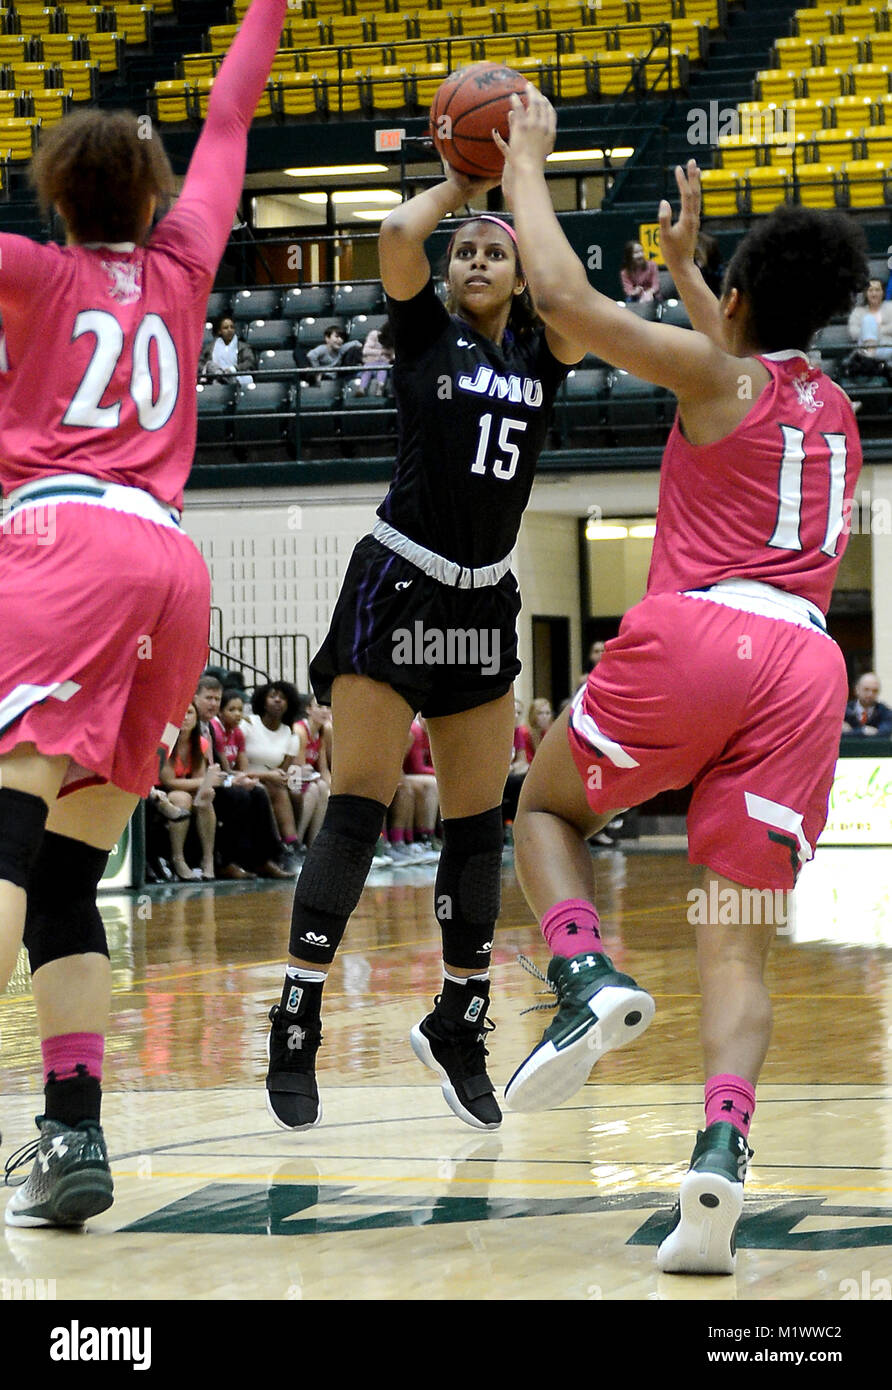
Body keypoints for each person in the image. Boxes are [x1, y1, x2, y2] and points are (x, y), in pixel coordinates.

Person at [494, 89, 866, 1272]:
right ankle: (719, 1152)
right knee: (735, 941)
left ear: (743, 306)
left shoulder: (718, 377)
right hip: (806, 670)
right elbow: (742, 350)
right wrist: (697, 275)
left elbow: (561, 300)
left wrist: (525, 169)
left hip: (706, 638)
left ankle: (581, 965)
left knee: (544, 807)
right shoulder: (836, 407)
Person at [0, 0, 288, 1227]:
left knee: (7, 846)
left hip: (61, 540)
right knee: (68, 875)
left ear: (59, 196)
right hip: (173, 567)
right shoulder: (183, 262)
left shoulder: (36, 270)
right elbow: (231, 113)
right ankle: (74, 1135)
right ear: (150, 192)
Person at [263, 170, 585, 1135]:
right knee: (358, 806)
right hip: (400, 582)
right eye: (468, 253)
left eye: (497, 251)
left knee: (479, 824)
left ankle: (459, 1017)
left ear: (522, 275)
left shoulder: (543, 347)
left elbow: (567, 290)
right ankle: (297, 1014)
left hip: (483, 599)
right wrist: (457, 180)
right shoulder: (422, 333)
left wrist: (523, 188)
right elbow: (397, 241)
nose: (478, 260)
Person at [157, 702, 220, 880]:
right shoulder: (165, 742)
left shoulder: (201, 743)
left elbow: (200, 780)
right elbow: (168, 781)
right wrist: (206, 780)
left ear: (196, 718)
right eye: (181, 713)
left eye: (190, 713)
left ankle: (208, 859)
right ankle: (179, 859)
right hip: (162, 789)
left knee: (205, 798)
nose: (185, 717)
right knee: (182, 799)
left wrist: (206, 785)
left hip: (187, 786)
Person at [844, 278, 892, 380]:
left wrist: (873, 330)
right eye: (870, 290)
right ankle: (870, 358)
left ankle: (871, 360)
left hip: (887, 348)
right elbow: (853, 333)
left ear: (883, 292)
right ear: (866, 293)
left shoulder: (890, 307)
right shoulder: (858, 311)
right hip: (864, 350)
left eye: (877, 290)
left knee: (869, 322)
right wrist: (879, 329)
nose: (874, 293)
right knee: (868, 320)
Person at [198, 315, 256, 386]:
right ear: (219, 331)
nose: (229, 330)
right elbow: (200, 363)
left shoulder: (243, 346)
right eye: (226, 328)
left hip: (236, 376)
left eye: (232, 327)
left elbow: (249, 362)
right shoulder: (209, 347)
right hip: (215, 377)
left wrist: (233, 369)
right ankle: (222, 377)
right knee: (210, 365)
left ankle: (224, 379)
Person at [842, 671, 892, 737]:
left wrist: (852, 731)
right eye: (866, 689)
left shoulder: (885, 712)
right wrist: (863, 731)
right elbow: (837, 733)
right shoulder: (844, 711)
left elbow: (885, 732)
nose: (870, 694)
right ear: (857, 690)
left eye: (875, 691)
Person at [357, 320, 394, 396]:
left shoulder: (394, 340)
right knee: (367, 370)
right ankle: (361, 389)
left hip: (384, 363)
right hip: (370, 362)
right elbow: (365, 351)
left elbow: (394, 356)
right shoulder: (374, 334)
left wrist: (391, 355)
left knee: (383, 370)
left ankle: (380, 388)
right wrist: (382, 351)